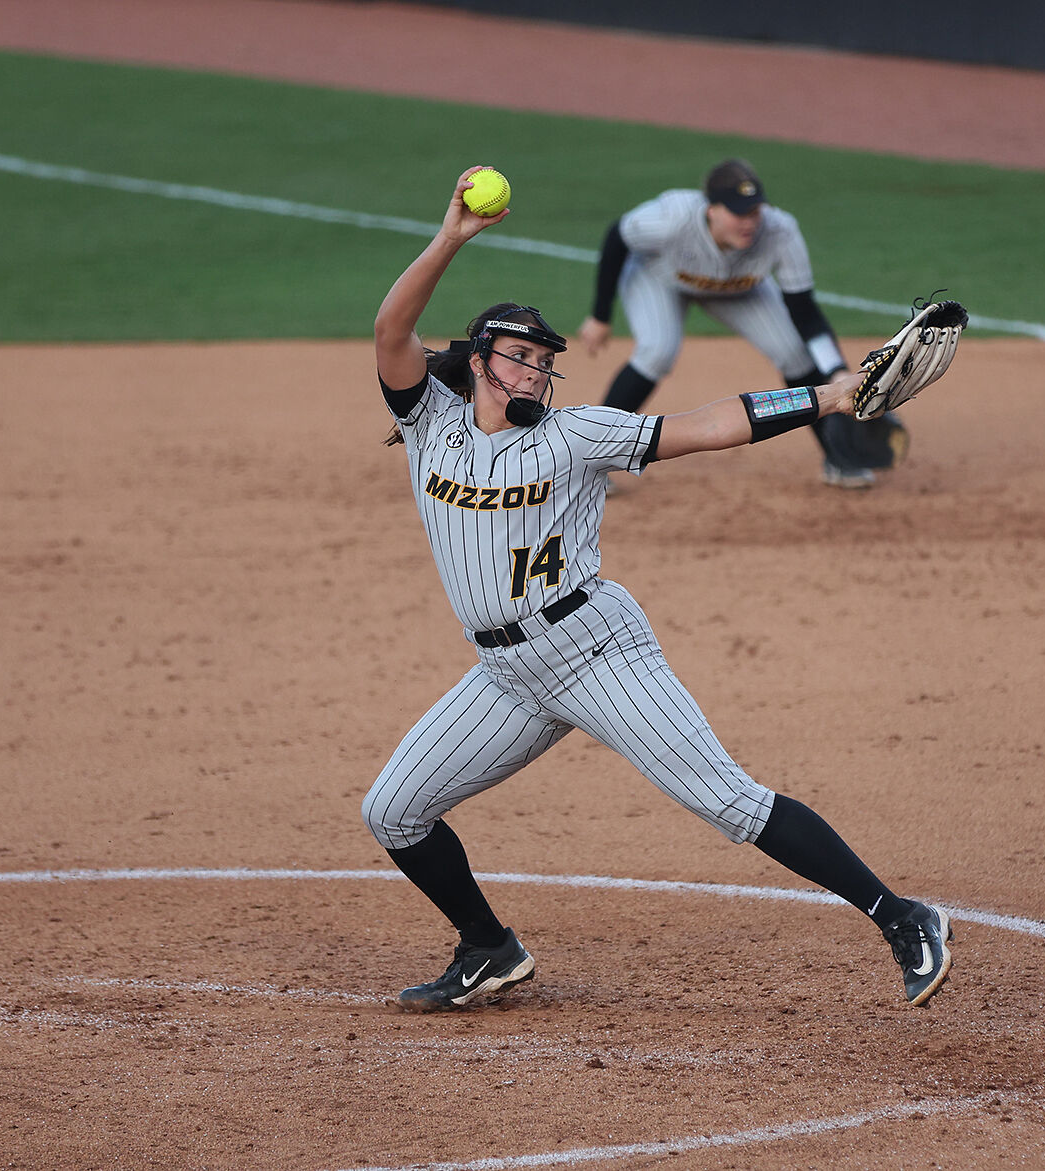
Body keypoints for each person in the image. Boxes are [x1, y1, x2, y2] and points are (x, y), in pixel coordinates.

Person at [363, 167, 953, 1012]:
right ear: (481, 358)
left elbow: (711, 424)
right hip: (506, 674)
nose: (535, 374)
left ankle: (903, 917)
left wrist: (828, 397)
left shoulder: (577, 434)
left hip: (594, 650)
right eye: (521, 357)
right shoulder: (430, 424)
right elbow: (391, 328)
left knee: (729, 802)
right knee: (393, 810)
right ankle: (488, 946)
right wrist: (451, 237)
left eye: (545, 364)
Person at [577, 158, 906, 489]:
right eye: (739, 213)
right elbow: (617, 238)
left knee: (795, 353)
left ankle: (839, 458)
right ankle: (589, 457)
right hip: (659, 277)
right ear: (711, 210)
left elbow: (804, 311)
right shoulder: (671, 217)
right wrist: (600, 316)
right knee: (656, 352)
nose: (749, 222)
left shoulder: (780, 231)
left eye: (754, 211)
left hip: (737, 288)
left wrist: (836, 371)